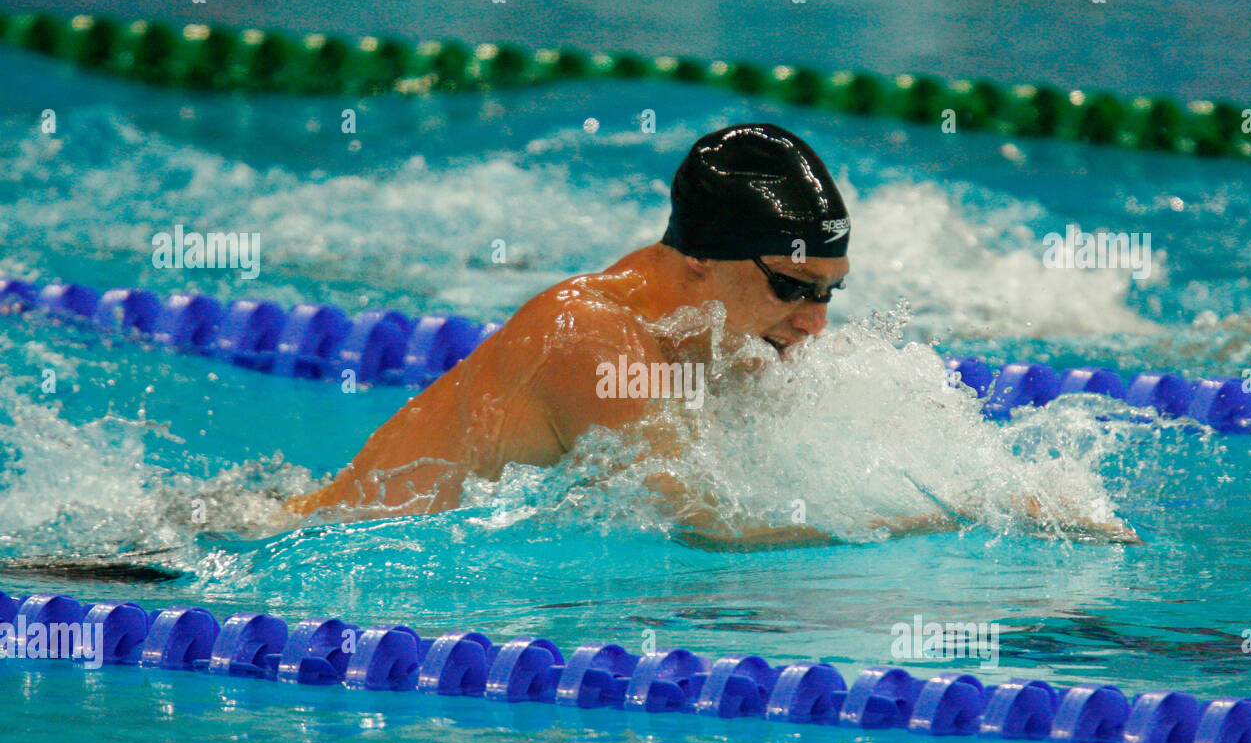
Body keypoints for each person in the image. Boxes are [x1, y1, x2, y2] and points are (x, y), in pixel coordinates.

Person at [286, 123, 1138, 547]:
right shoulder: (593, 337)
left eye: (831, 294)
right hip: (317, 551)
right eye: (792, 288)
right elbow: (708, 526)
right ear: (699, 260)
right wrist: (957, 517)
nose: (815, 322)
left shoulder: (723, 328)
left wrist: (1005, 482)